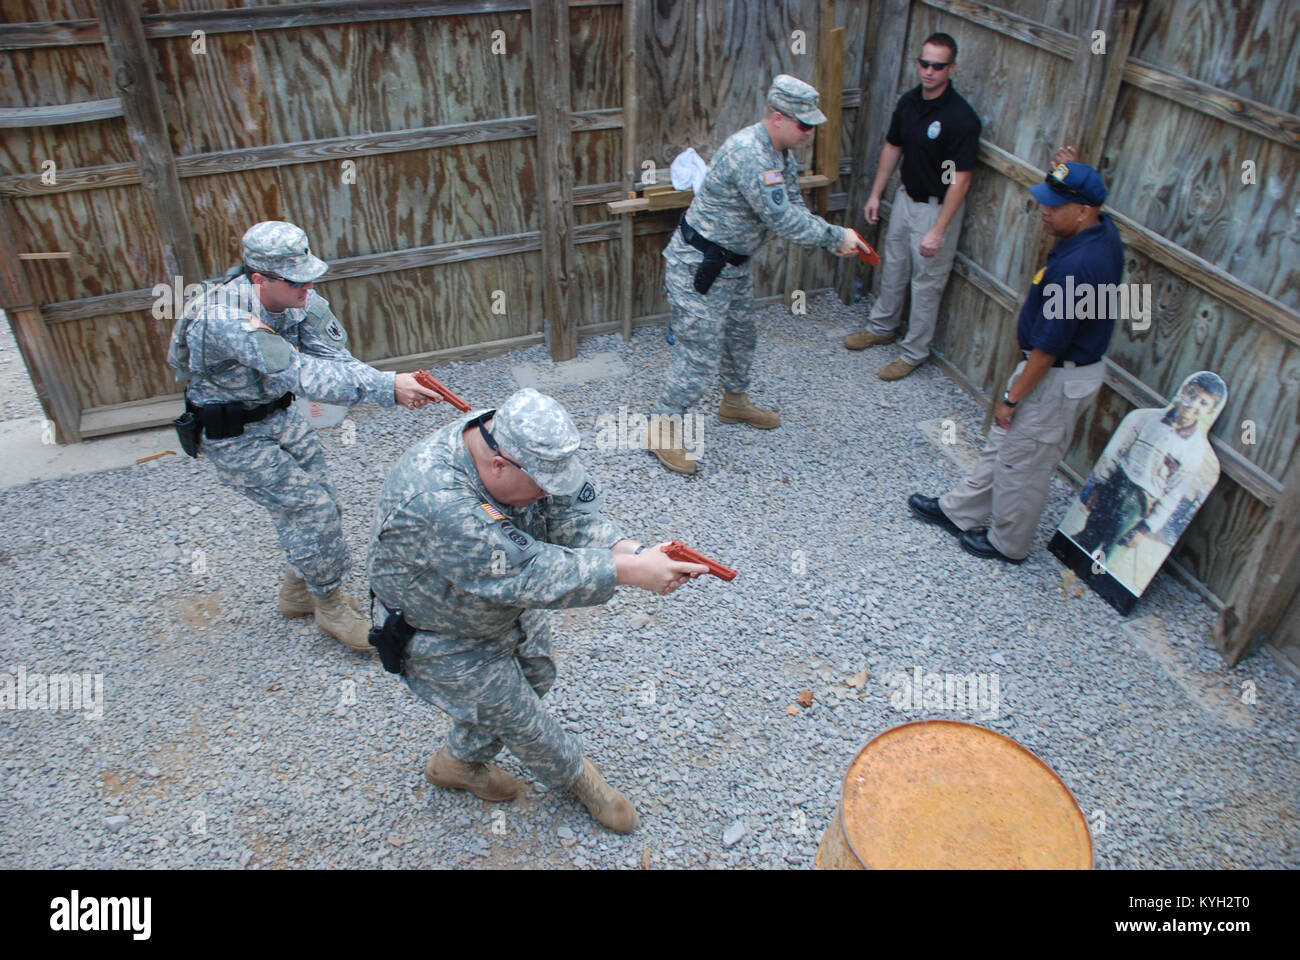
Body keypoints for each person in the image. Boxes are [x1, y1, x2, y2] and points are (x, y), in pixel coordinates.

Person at [367, 388, 709, 833]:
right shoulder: (437, 499)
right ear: (498, 465)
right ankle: (582, 782)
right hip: (441, 635)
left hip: (499, 607)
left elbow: (572, 515)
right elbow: (532, 571)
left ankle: (456, 762)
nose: (547, 492)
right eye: (541, 484)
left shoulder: (522, 444)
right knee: (525, 721)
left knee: (538, 677)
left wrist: (634, 551)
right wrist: (629, 572)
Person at [166, 221, 442, 651]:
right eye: (295, 279)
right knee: (311, 512)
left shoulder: (301, 301)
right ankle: (328, 605)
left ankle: (298, 594)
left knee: (325, 503)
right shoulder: (225, 319)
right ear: (259, 278)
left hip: (280, 416)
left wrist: (392, 384)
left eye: (309, 274)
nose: (307, 285)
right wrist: (388, 387)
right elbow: (303, 372)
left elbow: (336, 359)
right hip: (234, 436)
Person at [907, 150, 1123, 563]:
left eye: (1054, 206)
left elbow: (1049, 349)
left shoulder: (1078, 266)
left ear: (1082, 211)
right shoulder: (1099, 230)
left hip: (1056, 375)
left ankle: (1009, 543)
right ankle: (961, 512)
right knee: (1003, 447)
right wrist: (1071, 165)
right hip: (1053, 369)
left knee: (1024, 463)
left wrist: (1011, 399)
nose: (1044, 210)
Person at [650, 74, 868, 474]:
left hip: (733, 265)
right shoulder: (750, 153)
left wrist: (832, 238)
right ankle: (661, 428)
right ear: (777, 117)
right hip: (700, 267)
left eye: (812, 126)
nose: (809, 133)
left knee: (742, 335)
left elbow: (792, 202)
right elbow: (780, 217)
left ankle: (733, 403)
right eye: (803, 124)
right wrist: (835, 235)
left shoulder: (779, 152)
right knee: (697, 355)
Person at [842, 32, 980, 381]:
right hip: (905, 198)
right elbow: (892, 147)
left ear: (952, 67)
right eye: (924, 63)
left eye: (937, 65)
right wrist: (877, 194)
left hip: (937, 207)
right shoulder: (909, 102)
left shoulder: (961, 117)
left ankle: (914, 352)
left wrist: (938, 230)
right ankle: (882, 326)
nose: (929, 71)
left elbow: (961, 179)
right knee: (894, 266)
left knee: (927, 282)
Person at [1070, 372, 1225, 561]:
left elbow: (1173, 494)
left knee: (1111, 550)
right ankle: (1070, 560)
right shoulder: (1145, 419)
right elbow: (1114, 455)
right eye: (1192, 395)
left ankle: (1097, 577)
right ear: (1183, 391)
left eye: (1203, 403)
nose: (1193, 405)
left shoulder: (1194, 451)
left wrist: (1146, 529)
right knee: (1090, 532)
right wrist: (1098, 486)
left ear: (1210, 412)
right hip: (1115, 485)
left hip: (1139, 505)